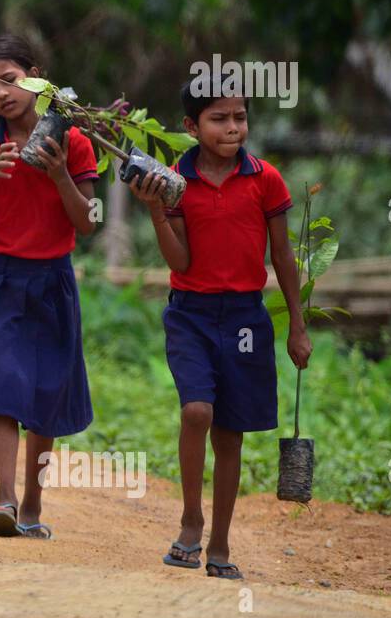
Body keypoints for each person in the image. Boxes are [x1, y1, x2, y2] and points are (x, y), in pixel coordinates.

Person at [126, 76, 311, 578]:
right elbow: (181, 262)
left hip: (247, 316)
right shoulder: (172, 182)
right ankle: (191, 519)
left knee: (230, 435)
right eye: (219, 118)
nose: (233, 128)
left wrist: (297, 325)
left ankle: (221, 546)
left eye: (240, 117)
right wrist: (156, 212)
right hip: (191, 313)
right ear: (191, 126)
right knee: (196, 411)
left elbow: (282, 255)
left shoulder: (266, 179)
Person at [0, 34, 98, 539]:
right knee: (3, 386)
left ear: (36, 76)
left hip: (52, 280)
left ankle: (32, 499)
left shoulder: (72, 141)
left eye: (9, 81)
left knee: (46, 395)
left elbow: (89, 222)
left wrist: (59, 177)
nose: (2, 95)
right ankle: (5, 499)